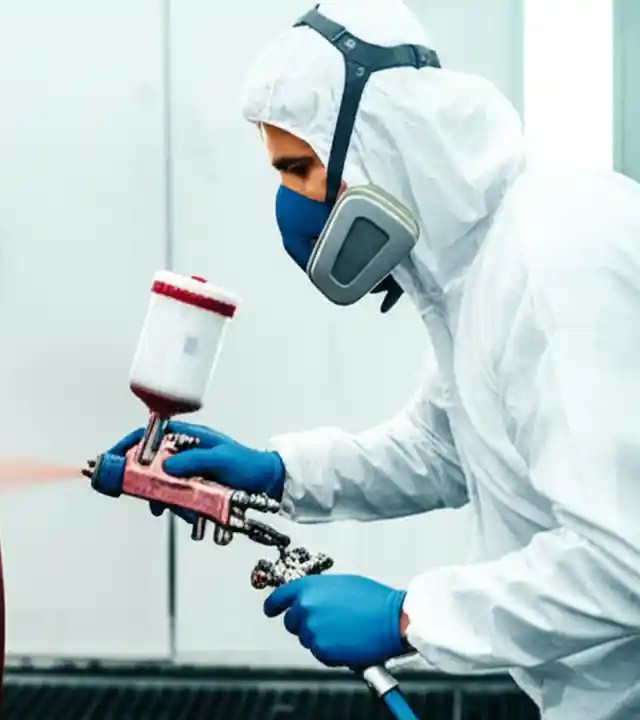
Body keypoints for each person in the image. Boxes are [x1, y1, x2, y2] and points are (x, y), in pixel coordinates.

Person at [101, 1, 640, 717]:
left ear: (380, 144)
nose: (288, 205)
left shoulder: (554, 263)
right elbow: (444, 450)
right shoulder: (472, 272)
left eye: (299, 169)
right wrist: (276, 473)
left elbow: (623, 561)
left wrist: (408, 615)